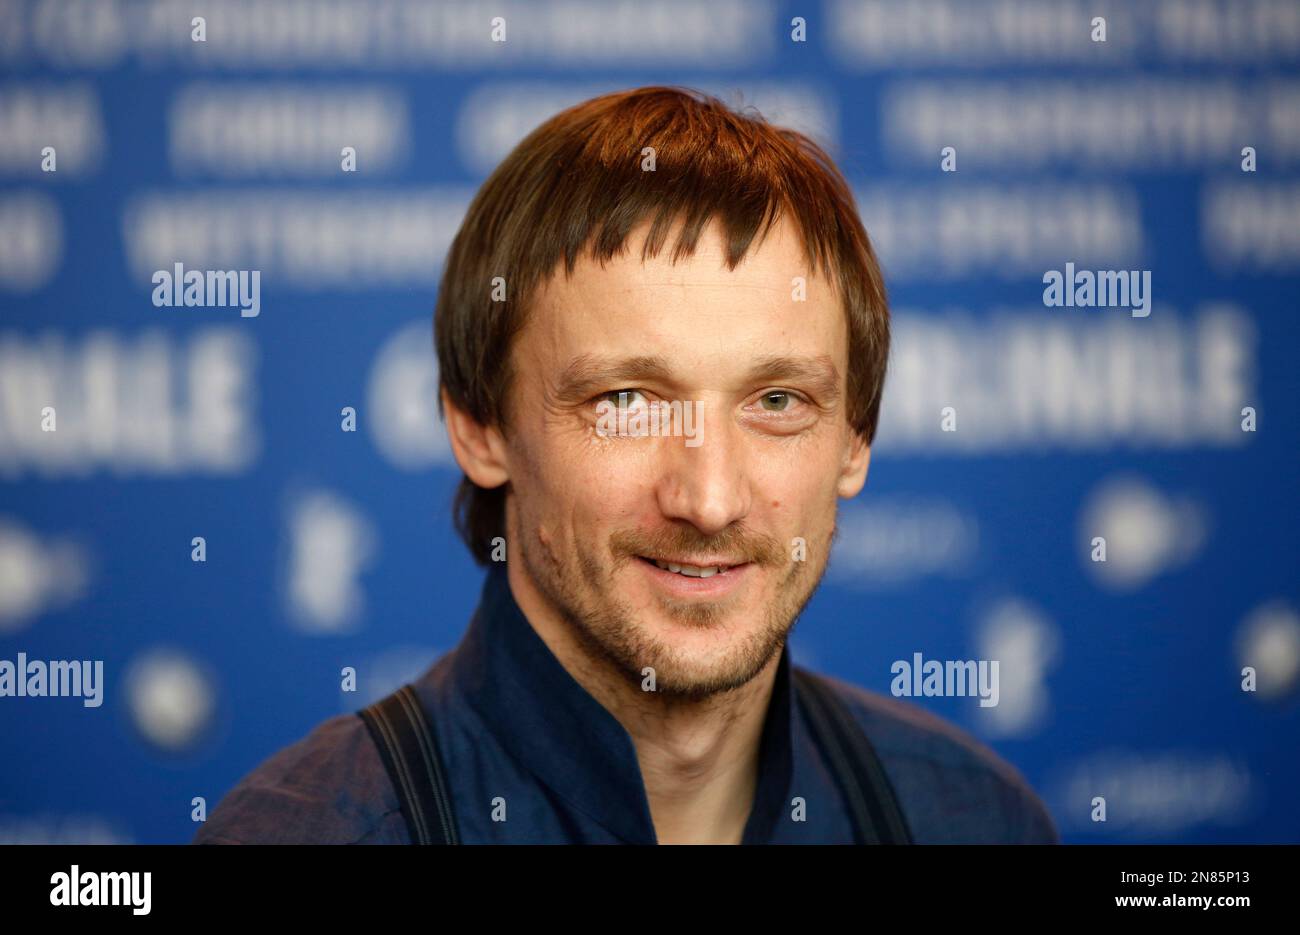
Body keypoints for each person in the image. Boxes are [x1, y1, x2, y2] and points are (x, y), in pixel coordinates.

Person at [194, 86, 1058, 845]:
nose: (711, 498)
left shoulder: (972, 819)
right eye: (626, 402)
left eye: (778, 402)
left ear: (856, 440)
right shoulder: (311, 833)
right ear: (479, 427)